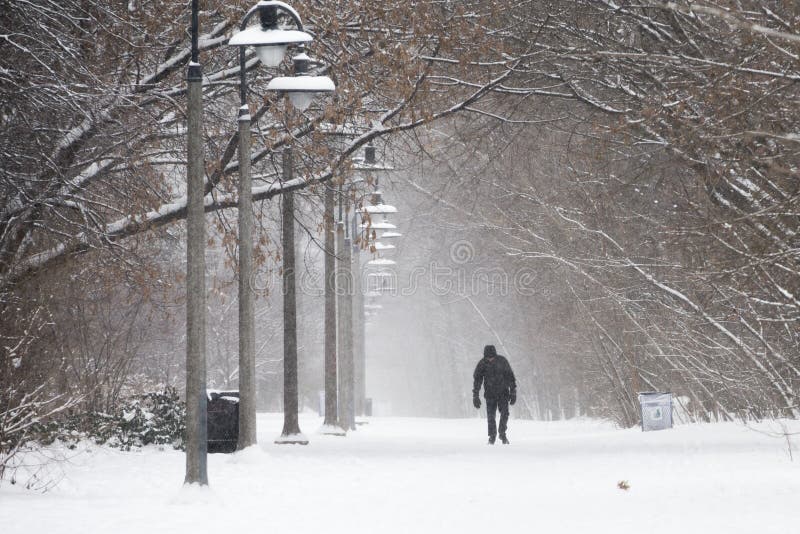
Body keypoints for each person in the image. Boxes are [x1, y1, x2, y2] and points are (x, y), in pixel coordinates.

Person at [472, 345, 516, 444]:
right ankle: (492, 436)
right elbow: (477, 380)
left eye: (492, 357)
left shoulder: (502, 361)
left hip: (503, 393)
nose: (490, 359)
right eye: (488, 357)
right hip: (490, 395)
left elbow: (510, 377)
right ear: (485, 356)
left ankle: (502, 433)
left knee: (505, 414)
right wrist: (475, 395)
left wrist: (513, 391)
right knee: (491, 416)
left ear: (495, 355)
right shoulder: (482, 364)